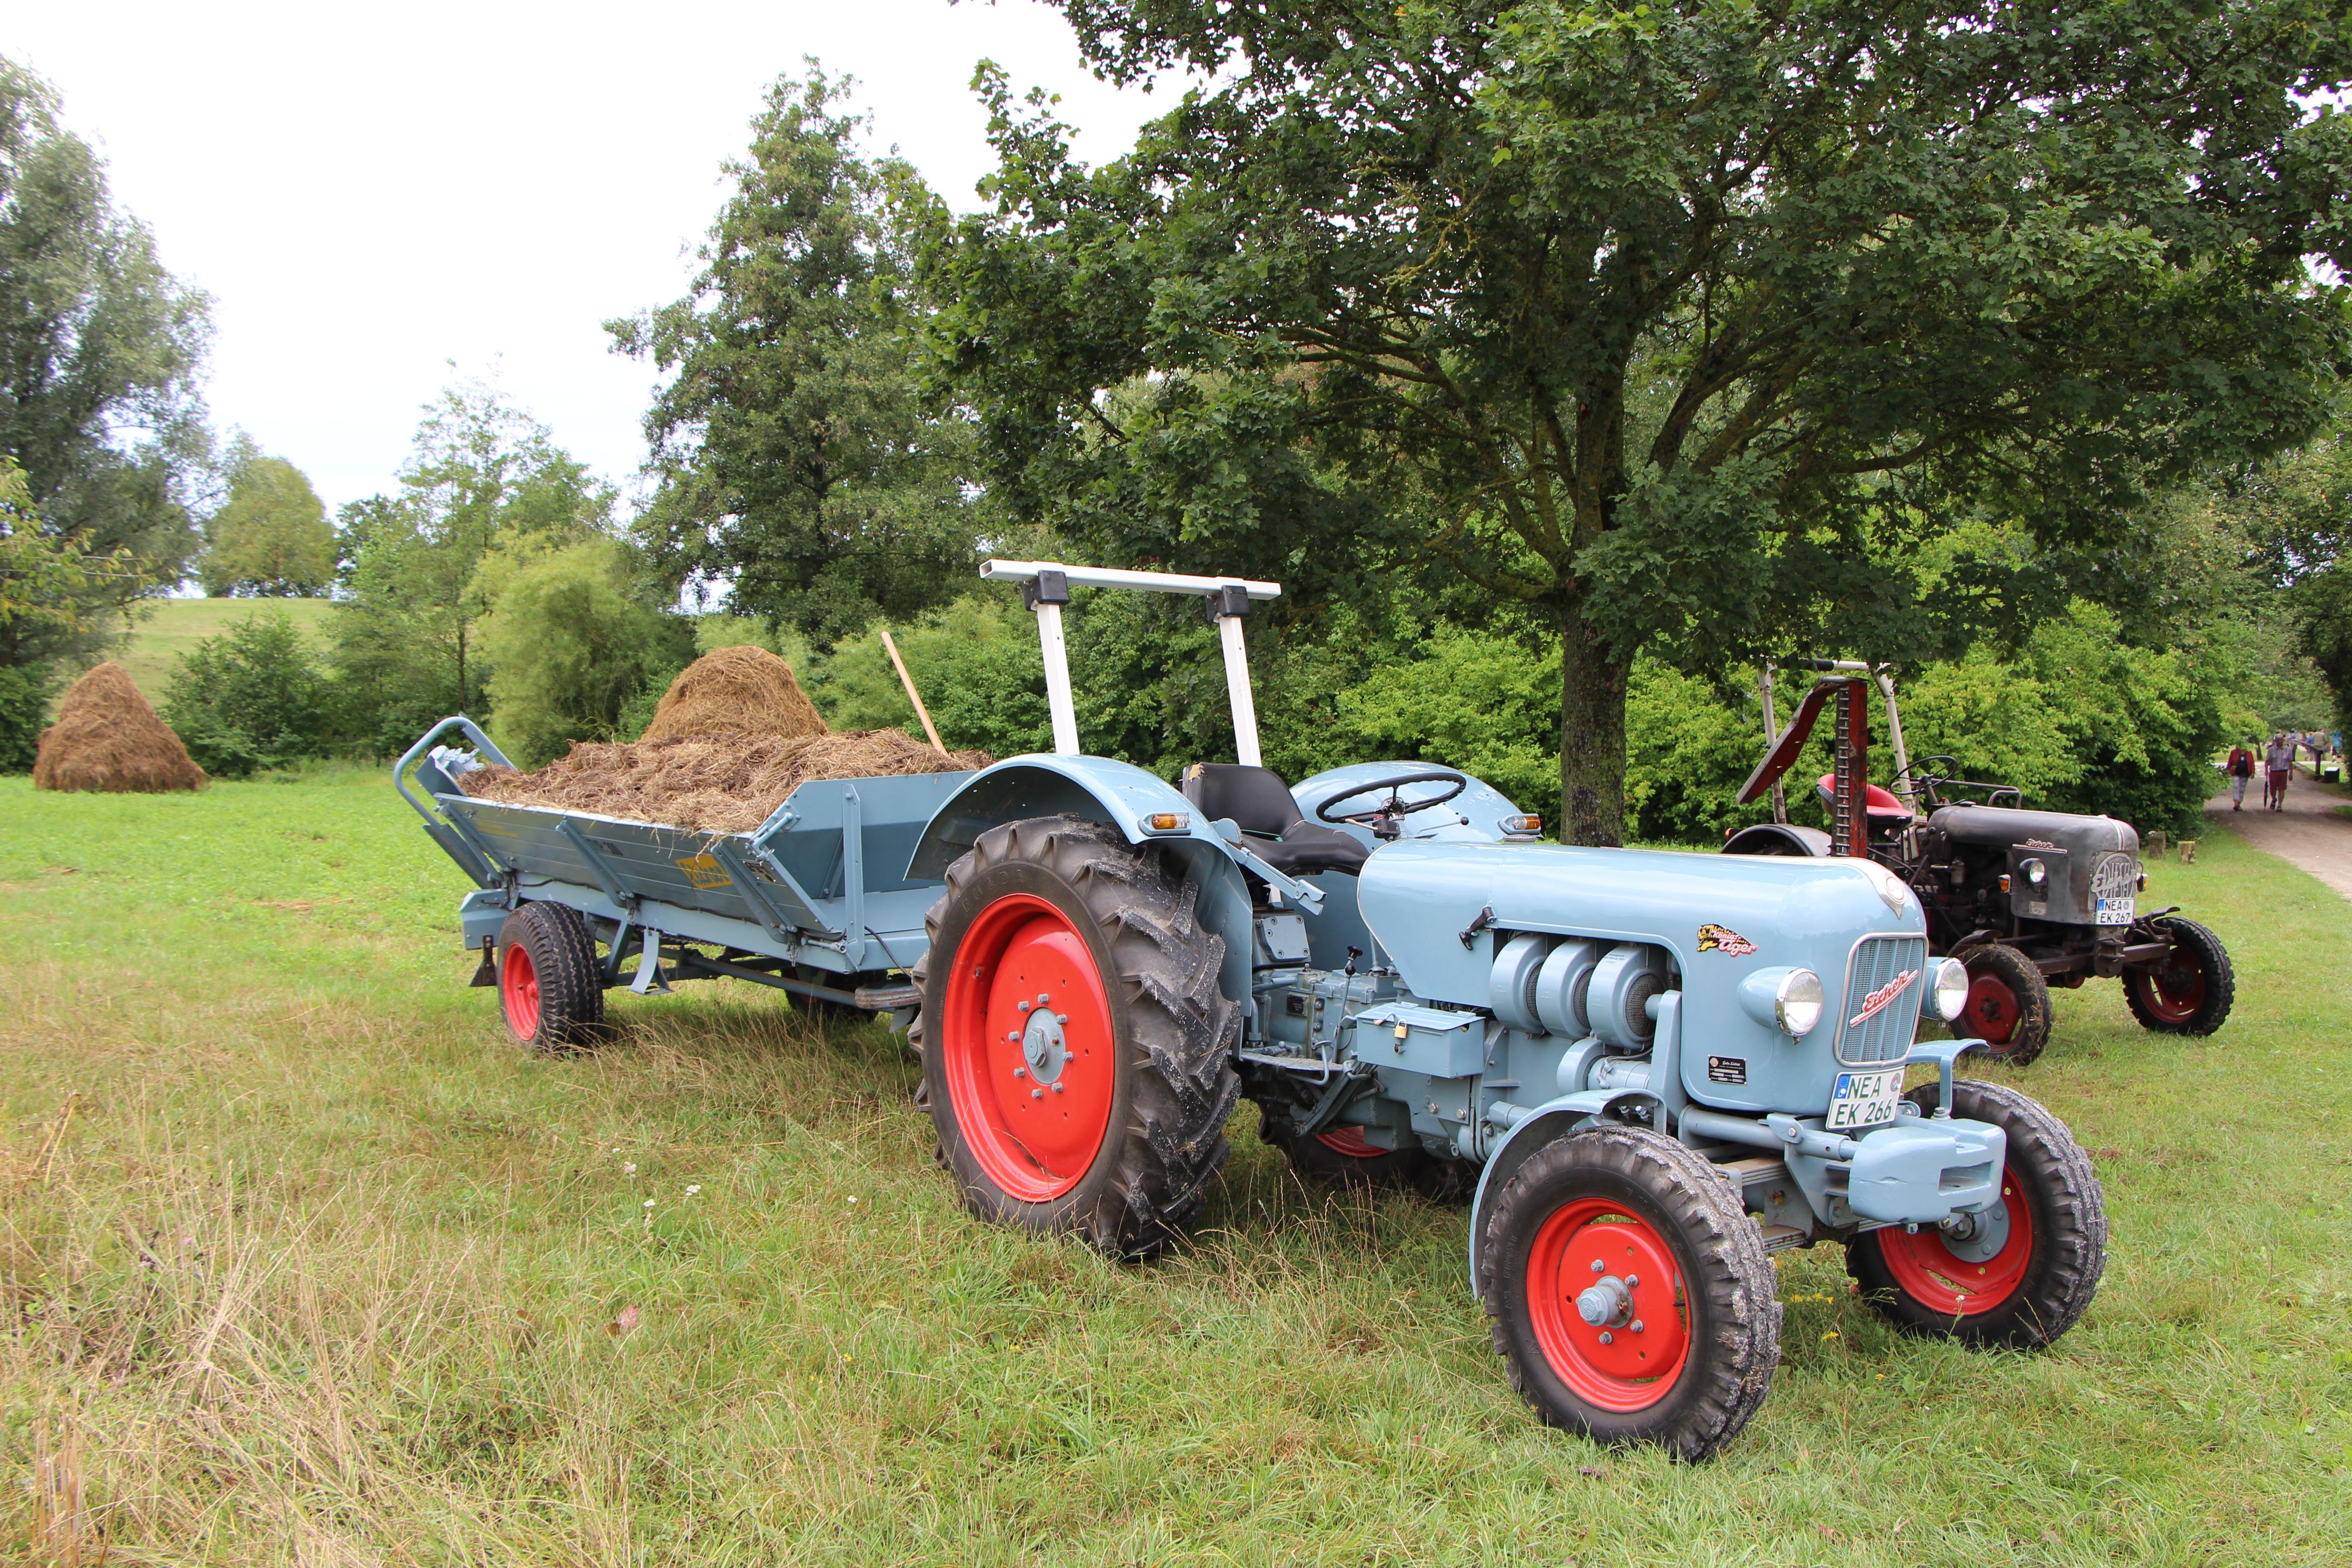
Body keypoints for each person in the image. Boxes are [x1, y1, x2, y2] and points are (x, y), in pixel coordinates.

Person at [2265, 731, 2296, 810]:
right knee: (2273, 789)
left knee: (2282, 788)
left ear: (2283, 741)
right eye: (2278, 740)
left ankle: (2280, 805)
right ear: (2275, 741)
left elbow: (2290, 762)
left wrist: (2291, 773)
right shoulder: (2271, 750)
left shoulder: (2288, 750)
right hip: (2274, 771)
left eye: (2281, 740)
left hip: (2283, 772)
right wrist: (2266, 770)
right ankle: (2274, 799)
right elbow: (2268, 761)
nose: (2279, 742)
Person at [2225, 738, 2257, 811]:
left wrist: (2253, 772)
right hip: (2236, 773)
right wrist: (2227, 771)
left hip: (2245, 773)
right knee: (2236, 787)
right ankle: (2236, 804)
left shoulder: (2249, 753)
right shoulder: (2234, 752)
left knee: (2242, 789)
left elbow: (2252, 763)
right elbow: (2230, 762)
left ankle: (2239, 804)